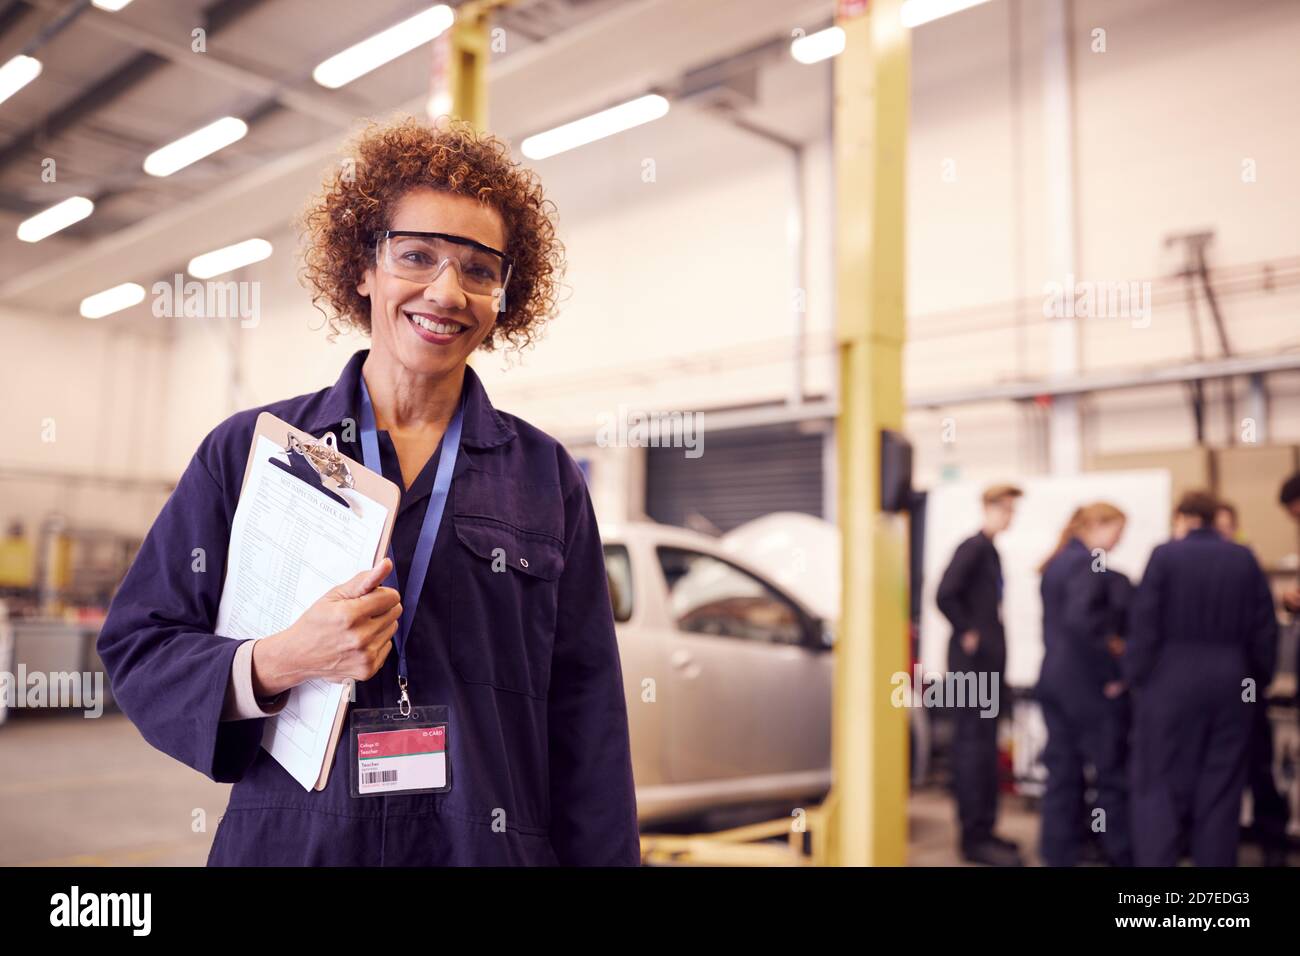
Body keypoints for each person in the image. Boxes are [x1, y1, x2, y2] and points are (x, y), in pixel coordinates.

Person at [96, 117, 640, 866]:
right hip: (296, 847)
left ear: (505, 295)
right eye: (416, 256)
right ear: (363, 269)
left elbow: (590, 723)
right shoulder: (250, 453)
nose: (446, 292)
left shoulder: (545, 478)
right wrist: (279, 660)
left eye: (480, 269)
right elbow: (141, 647)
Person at [1126, 491, 1278, 866]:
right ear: (1214, 519)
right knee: (1222, 787)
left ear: (1182, 518)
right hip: (1233, 681)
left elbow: (1144, 625)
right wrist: (1256, 680)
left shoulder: (1164, 555)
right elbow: (1265, 629)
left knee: (1159, 782)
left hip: (1171, 681)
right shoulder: (1244, 558)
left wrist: (1136, 678)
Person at [1036, 503, 1133, 867]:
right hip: (1084, 686)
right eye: (1118, 531)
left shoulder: (1058, 562)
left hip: (1054, 679)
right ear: (1098, 527)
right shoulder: (1089, 563)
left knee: (1063, 772)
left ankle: (1058, 852)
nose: (1120, 540)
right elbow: (1083, 623)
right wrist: (1112, 673)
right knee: (1109, 773)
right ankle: (1118, 851)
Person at [936, 483, 1023, 865]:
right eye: (1005, 509)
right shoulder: (972, 548)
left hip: (987, 668)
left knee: (985, 749)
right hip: (971, 671)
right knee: (972, 750)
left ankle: (986, 830)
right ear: (988, 508)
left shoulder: (990, 552)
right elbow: (944, 593)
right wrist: (967, 629)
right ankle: (973, 839)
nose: (1010, 516)